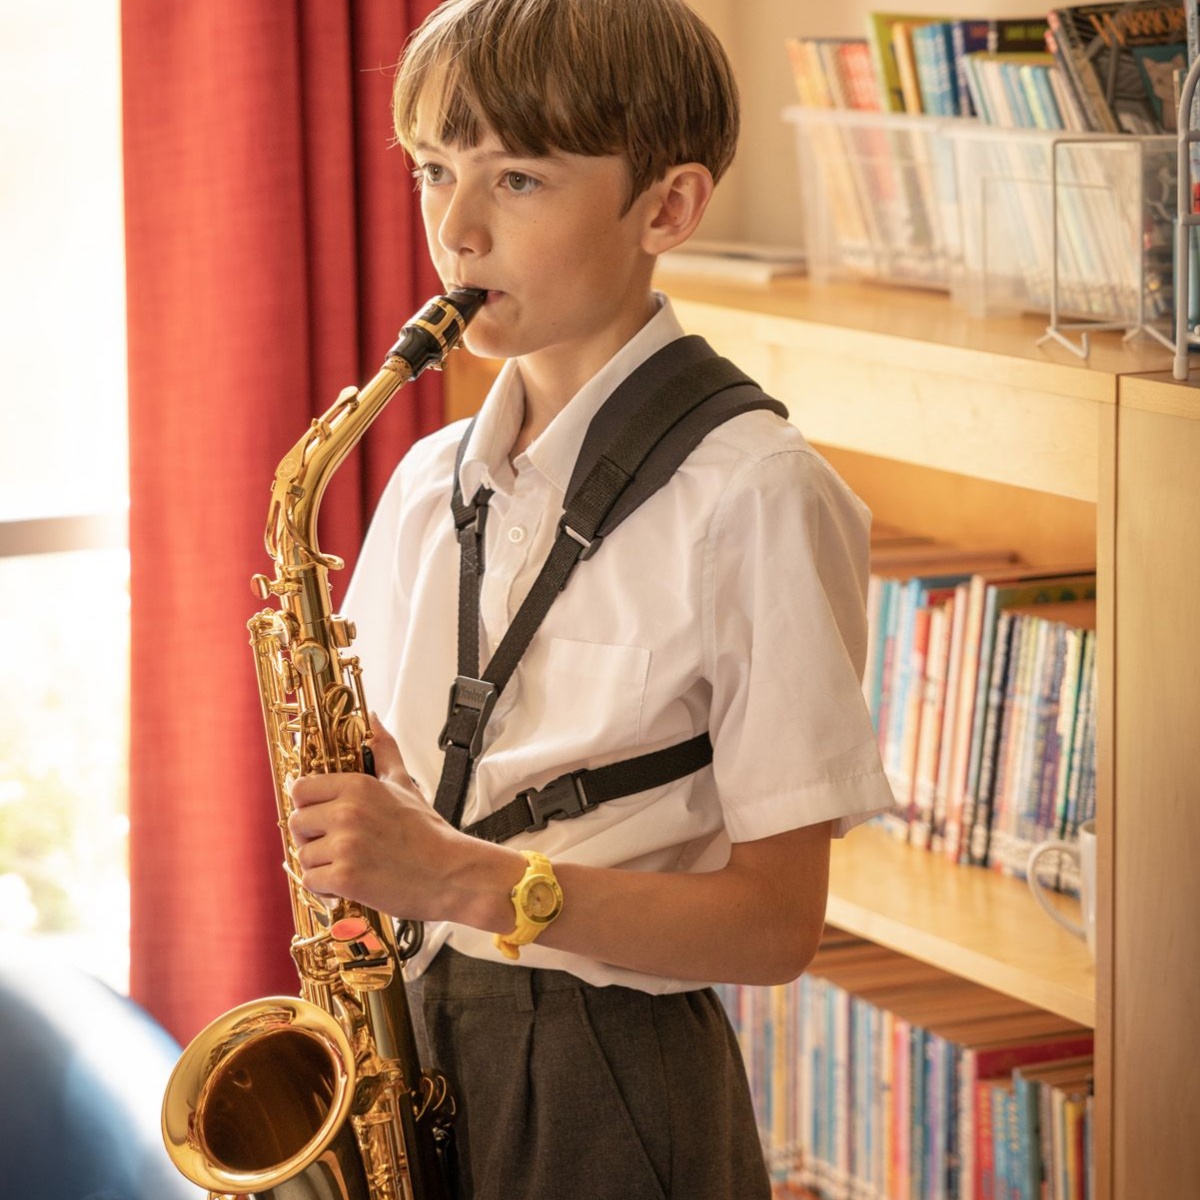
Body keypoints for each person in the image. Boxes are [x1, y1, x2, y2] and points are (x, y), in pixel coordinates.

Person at [288, 1, 894, 1197]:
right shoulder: (423, 481)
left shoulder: (757, 494)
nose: (453, 230)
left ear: (665, 208)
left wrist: (462, 878)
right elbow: (410, 785)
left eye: (516, 178)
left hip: (608, 1074)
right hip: (413, 1022)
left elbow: (776, 930)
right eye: (432, 169)